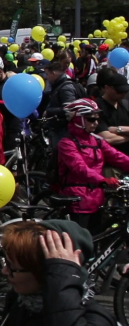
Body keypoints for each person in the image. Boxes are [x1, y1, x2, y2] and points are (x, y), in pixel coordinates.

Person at [0, 220, 118, 326]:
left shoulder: (97, 320)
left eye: (12, 266)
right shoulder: (21, 302)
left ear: (43, 272)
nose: (4, 271)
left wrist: (63, 273)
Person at [55, 98, 129, 233]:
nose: (96, 123)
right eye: (90, 119)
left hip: (97, 198)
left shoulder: (96, 140)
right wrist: (103, 180)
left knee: (97, 242)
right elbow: (80, 168)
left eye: (97, 119)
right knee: (81, 245)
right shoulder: (67, 143)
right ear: (78, 119)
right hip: (77, 200)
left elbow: (117, 157)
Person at [93, 71, 129, 156]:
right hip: (109, 160)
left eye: (125, 91)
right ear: (107, 88)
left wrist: (118, 129)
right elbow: (106, 138)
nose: (123, 94)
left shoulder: (125, 104)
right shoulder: (96, 107)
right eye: (119, 91)